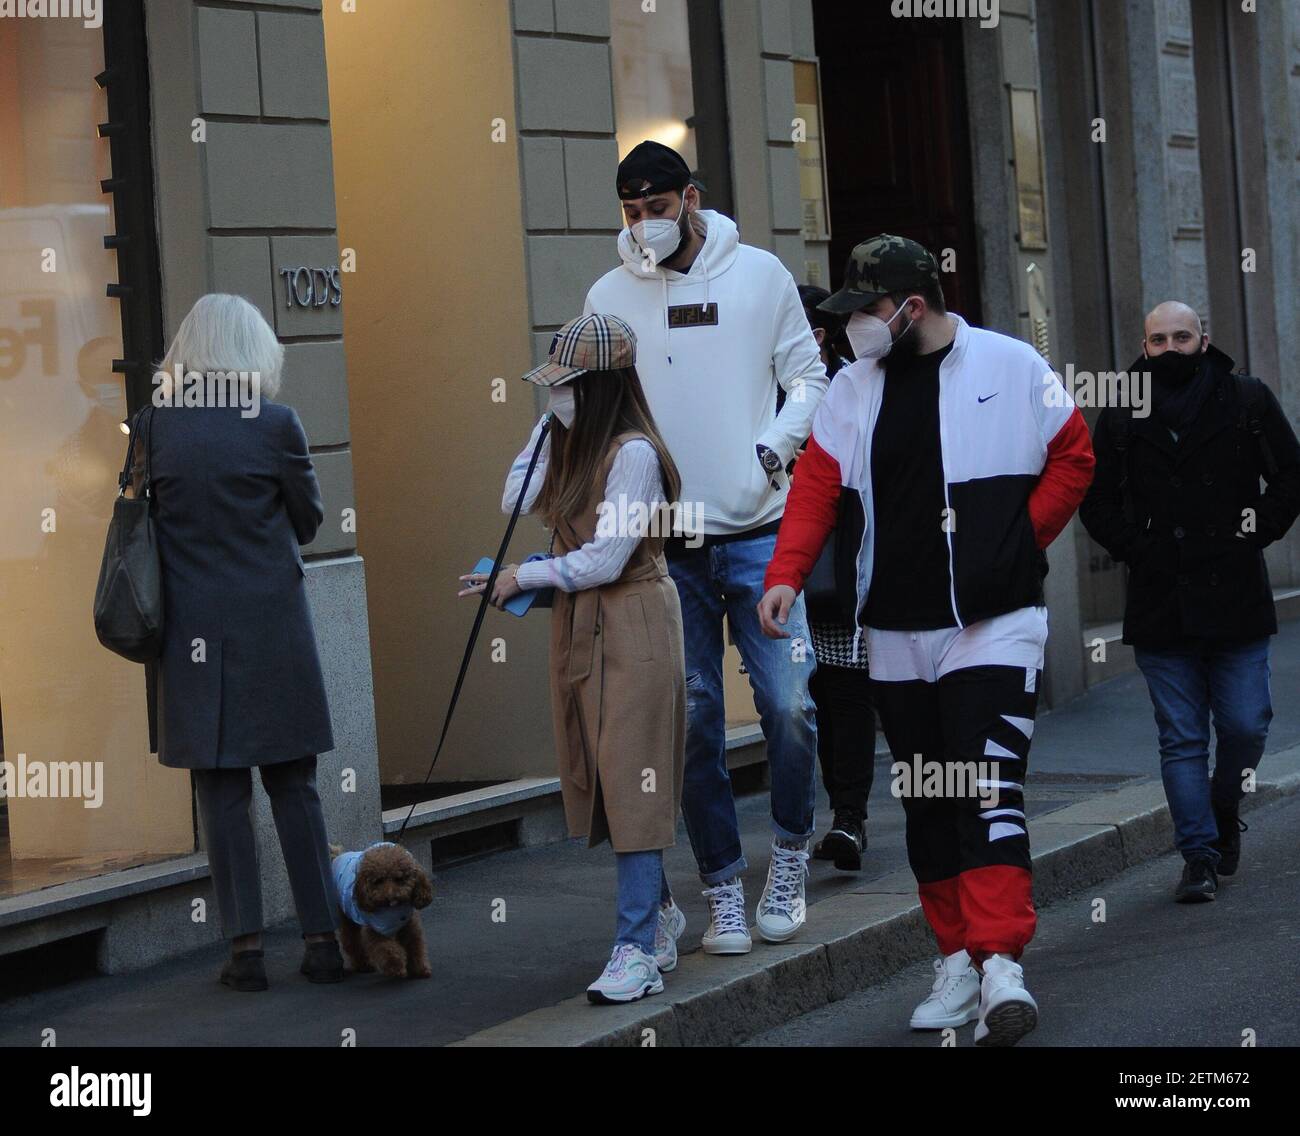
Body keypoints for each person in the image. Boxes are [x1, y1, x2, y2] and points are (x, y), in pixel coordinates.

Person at [759, 235, 1094, 1046]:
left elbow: (1074, 454)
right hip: (895, 629)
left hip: (995, 624)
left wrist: (1021, 543)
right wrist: (785, 574)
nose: (854, 331)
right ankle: (958, 959)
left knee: (982, 785)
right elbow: (815, 487)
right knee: (929, 797)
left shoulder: (1012, 364)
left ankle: (1001, 960)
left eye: (867, 313)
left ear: (912, 305)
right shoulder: (850, 389)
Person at [583, 140, 829, 955]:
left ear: (690, 199)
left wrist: (772, 449)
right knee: (688, 720)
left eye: (656, 208)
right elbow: (596, 404)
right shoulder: (609, 293)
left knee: (791, 706)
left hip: (760, 530)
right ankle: (722, 885)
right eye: (630, 211)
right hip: (666, 545)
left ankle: (789, 854)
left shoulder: (758, 276)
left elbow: (809, 379)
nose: (644, 224)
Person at [458, 313, 688, 1004]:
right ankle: (661, 915)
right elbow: (515, 497)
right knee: (603, 772)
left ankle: (634, 946)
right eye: (551, 385)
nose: (555, 396)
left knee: (632, 774)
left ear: (604, 385)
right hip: (585, 624)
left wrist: (523, 578)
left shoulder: (635, 454)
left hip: (636, 622)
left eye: (566, 386)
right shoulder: (572, 444)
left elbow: (607, 558)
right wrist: (544, 428)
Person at [132, 293, 343, 991]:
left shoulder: (154, 427)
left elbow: (140, 525)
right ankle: (320, 942)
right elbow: (309, 522)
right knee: (295, 787)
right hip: (272, 628)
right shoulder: (276, 423)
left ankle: (244, 950)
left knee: (220, 792)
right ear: (252, 352)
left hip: (192, 632)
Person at [1079, 301, 1300, 903]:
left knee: (1245, 724)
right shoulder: (1123, 410)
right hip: (1160, 597)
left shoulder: (1246, 399)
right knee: (1180, 738)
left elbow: (1291, 477)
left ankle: (1223, 804)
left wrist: (1254, 531)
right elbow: (1094, 499)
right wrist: (1139, 548)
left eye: (1182, 336)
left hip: (1234, 592)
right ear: (1144, 346)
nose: (1170, 348)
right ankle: (1198, 855)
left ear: (1205, 338)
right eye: (1158, 340)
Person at [795, 285, 875, 871]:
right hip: (773, 566)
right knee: (796, 699)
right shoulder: (759, 390)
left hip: (840, 565)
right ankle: (795, 825)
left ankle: (849, 817)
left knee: (843, 692)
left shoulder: (854, 387)